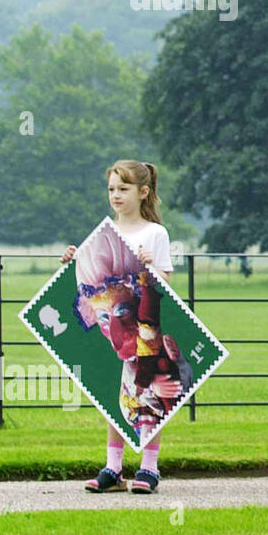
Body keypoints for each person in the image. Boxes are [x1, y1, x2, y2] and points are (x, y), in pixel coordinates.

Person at [64, 161, 181, 495]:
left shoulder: (154, 234)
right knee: (115, 397)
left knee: (150, 394)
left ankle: (149, 468)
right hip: (112, 326)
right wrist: (73, 260)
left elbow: (166, 283)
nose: (116, 195)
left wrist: (150, 265)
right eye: (112, 189)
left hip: (144, 324)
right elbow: (90, 279)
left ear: (143, 192)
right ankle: (113, 468)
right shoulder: (102, 234)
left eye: (123, 189)